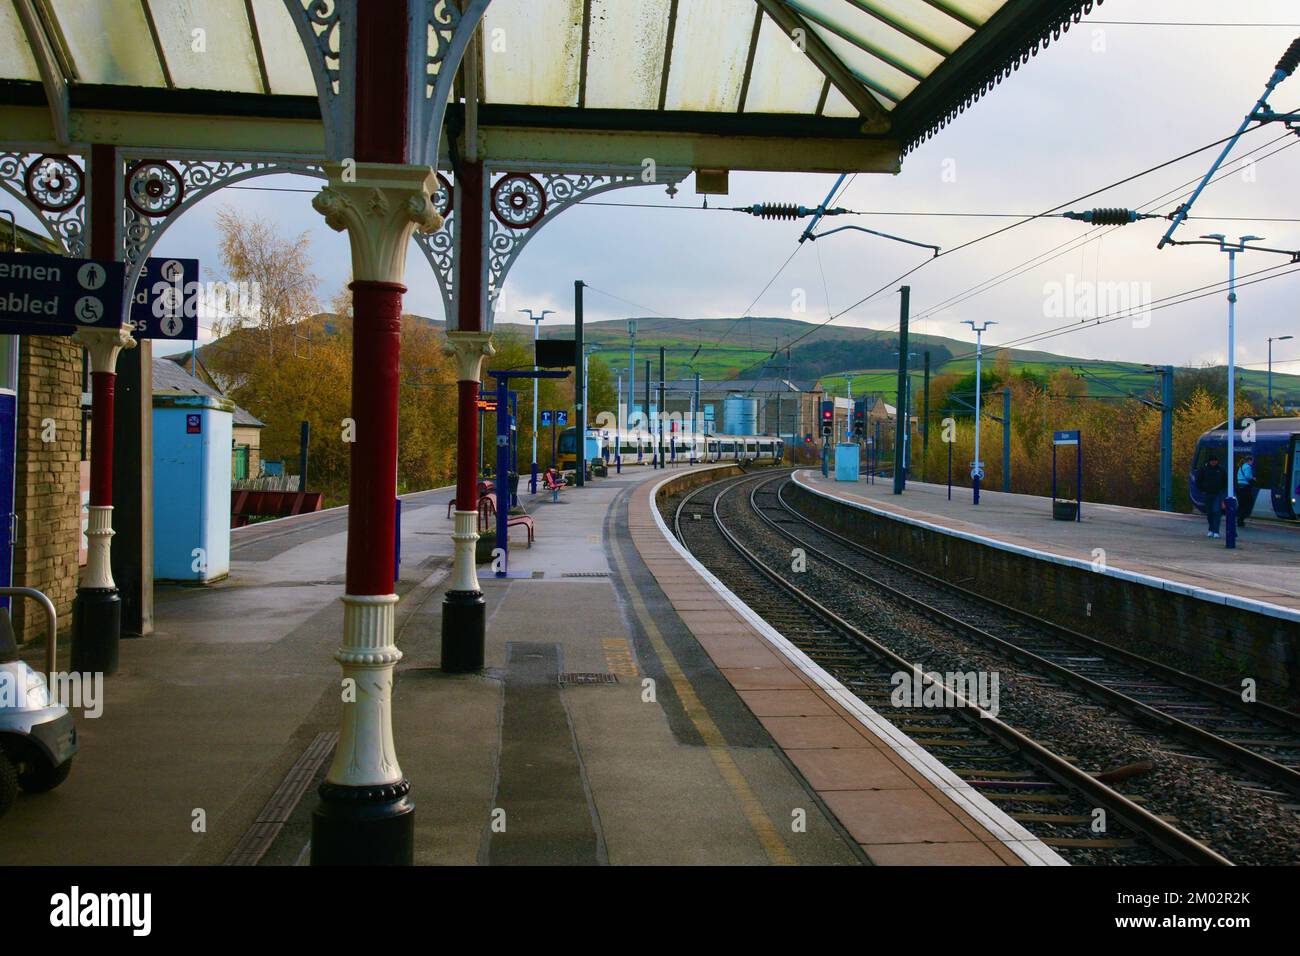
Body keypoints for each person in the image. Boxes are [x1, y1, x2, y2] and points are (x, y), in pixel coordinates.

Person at [1196, 453, 1228, 538]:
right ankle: (1211, 529)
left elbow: (1225, 482)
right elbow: (1198, 480)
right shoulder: (1204, 469)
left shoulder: (1221, 470)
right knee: (1209, 512)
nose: (1214, 462)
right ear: (1209, 461)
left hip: (1218, 494)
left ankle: (1216, 531)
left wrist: (1223, 493)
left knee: (1216, 512)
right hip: (1207, 493)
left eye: (1215, 461)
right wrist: (1202, 489)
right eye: (1212, 461)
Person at [1235, 454, 1257, 528]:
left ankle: (1239, 518)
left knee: (1241, 504)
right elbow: (1248, 477)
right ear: (1249, 460)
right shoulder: (1248, 467)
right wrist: (1253, 479)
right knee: (1248, 503)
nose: (1252, 462)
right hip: (1245, 487)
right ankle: (1241, 518)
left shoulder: (1241, 466)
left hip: (1239, 487)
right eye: (1252, 461)